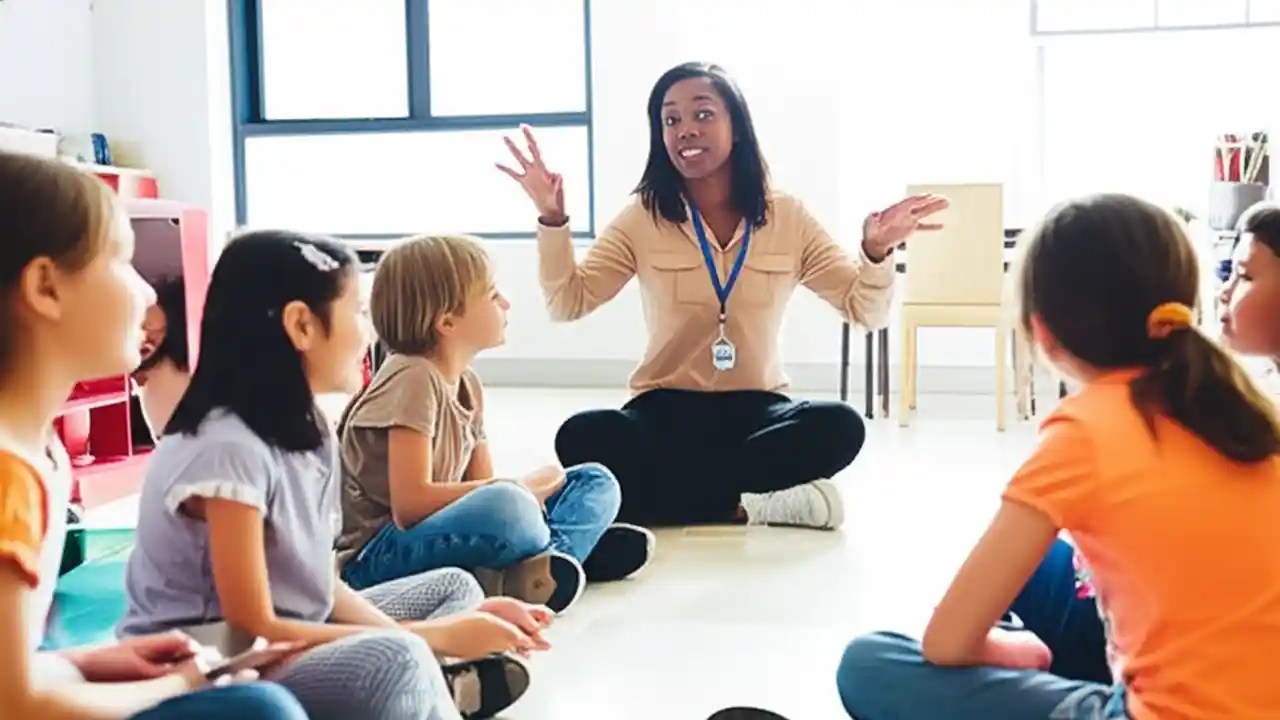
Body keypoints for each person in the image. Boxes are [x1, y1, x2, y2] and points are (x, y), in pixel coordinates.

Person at [836, 194, 1280, 719]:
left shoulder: (1083, 429)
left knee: (869, 663)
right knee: (1048, 563)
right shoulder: (1238, 410)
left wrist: (1019, 655)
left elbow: (945, 643)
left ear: (1041, 330)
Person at [118, 230, 550, 720]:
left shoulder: (307, 432)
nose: (368, 334)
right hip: (215, 667)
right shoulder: (226, 450)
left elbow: (319, 587)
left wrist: (445, 627)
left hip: (288, 635)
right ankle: (423, 685)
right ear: (301, 326)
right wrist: (432, 636)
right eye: (358, 314)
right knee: (399, 657)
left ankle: (423, 688)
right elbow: (251, 629)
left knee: (455, 590)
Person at [498, 61, 948, 528]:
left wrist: (876, 249)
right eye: (671, 120)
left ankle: (663, 501)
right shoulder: (643, 217)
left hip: (756, 410)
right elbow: (568, 301)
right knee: (583, 435)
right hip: (664, 410)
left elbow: (864, 311)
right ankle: (750, 503)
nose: (686, 130)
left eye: (703, 115)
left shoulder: (787, 217)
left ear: (737, 127)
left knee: (841, 425)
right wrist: (552, 219)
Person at [0, 150, 308, 719]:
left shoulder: (37, 453)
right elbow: (16, 705)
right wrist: (181, 684)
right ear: (46, 286)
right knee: (260, 709)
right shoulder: (8, 475)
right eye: (121, 262)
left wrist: (95, 660)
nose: (146, 293)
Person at [1003, 200, 1280, 687]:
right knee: (1033, 563)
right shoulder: (1232, 396)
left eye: (1245, 276)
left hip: (1196, 657)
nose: (1226, 290)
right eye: (1225, 272)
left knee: (882, 661)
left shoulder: (1097, 421)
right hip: (1180, 638)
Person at [336, 235, 652, 614]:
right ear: (447, 321)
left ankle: (543, 567)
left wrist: (516, 491)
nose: (506, 303)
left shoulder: (467, 384)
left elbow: (477, 484)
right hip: (380, 556)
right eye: (492, 295)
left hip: (437, 531)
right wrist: (516, 489)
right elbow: (410, 505)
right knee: (509, 505)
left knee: (594, 480)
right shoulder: (412, 377)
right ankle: (560, 554)